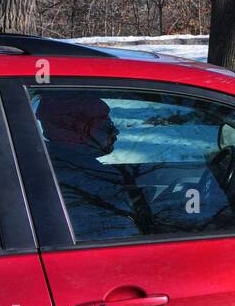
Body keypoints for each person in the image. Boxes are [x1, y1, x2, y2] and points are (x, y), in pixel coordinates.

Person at [33, 92, 154, 239]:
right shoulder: (92, 179)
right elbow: (120, 237)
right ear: (79, 129)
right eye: (107, 125)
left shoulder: (46, 163)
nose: (116, 131)